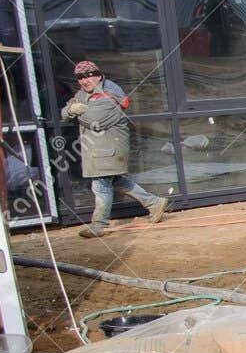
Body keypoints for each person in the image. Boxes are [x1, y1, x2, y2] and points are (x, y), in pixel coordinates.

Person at [63, 61, 169, 236]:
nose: (84, 81)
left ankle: (99, 225)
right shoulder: (84, 93)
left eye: (88, 76)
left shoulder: (110, 93)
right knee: (118, 181)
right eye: (80, 78)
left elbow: (94, 123)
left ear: (98, 74)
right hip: (97, 151)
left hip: (109, 150)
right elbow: (65, 112)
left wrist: (73, 112)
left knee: (100, 187)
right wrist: (72, 110)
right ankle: (154, 203)